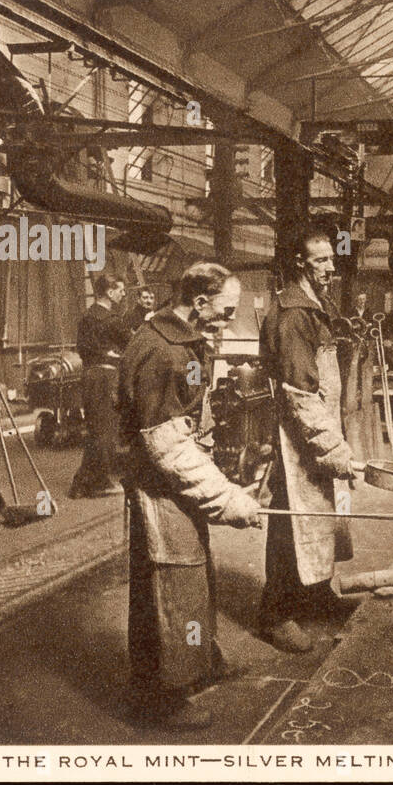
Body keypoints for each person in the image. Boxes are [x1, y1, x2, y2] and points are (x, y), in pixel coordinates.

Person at [118, 262, 262, 730]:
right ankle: (157, 697)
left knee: (193, 572)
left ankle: (196, 664)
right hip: (158, 485)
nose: (228, 320)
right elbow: (168, 448)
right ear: (198, 303)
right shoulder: (159, 351)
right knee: (168, 584)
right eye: (225, 311)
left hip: (175, 481)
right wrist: (229, 500)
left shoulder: (184, 338)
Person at [258, 226, 357, 654]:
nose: (330, 268)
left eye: (332, 260)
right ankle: (275, 614)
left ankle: (314, 594)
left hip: (319, 430)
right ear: (300, 263)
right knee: (290, 520)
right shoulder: (294, 314)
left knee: (320, 518)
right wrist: (333, 450)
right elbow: (299, 396)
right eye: (320, 261)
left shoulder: (315, 304)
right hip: (297, 438)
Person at [69, 273, 130, 498]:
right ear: (110, 292)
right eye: (121, 290)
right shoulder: (112, 320)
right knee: (107, 432)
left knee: (96, 429)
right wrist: (114, 357)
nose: (123, 294)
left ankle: (83, 483)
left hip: (89, 377)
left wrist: (105, 353)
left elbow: (82, 349)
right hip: (106, 379)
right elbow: (132, 345)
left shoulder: (86, 317)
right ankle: (99, 483)